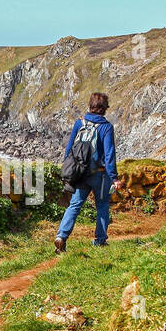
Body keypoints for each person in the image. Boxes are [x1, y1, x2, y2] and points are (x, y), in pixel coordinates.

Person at [55, 92, 123, 252]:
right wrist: (114, 177)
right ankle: (100, 240)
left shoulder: (80, 123)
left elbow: (70, 148)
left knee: (74, 206)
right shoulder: (106, 127)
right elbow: (109, 154)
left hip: (81, 172)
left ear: (90, 106)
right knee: (102, 206)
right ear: (104, 108)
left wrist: (69, 168)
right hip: (100, 175)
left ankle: (61, 237)